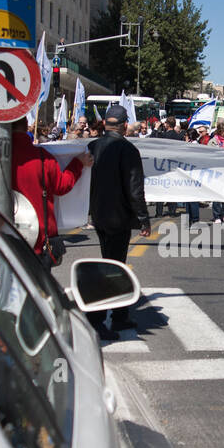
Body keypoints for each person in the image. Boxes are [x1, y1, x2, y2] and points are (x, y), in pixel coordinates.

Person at [0, 116, 93, 259]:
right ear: (25, 125)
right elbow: (62, 186)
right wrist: (77, 163)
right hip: (39, 242)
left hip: (2, 241)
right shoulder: (42, 157)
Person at [87, 105, 150, 340]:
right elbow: (135, 189)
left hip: (99, 215)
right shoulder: (127, 149)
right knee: (114, 267)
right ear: (124, 125)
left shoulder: (93, 146)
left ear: (105, 123)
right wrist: (144, 219)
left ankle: (120, 315)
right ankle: (98, 318)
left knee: (113, 263)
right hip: (119, 216)